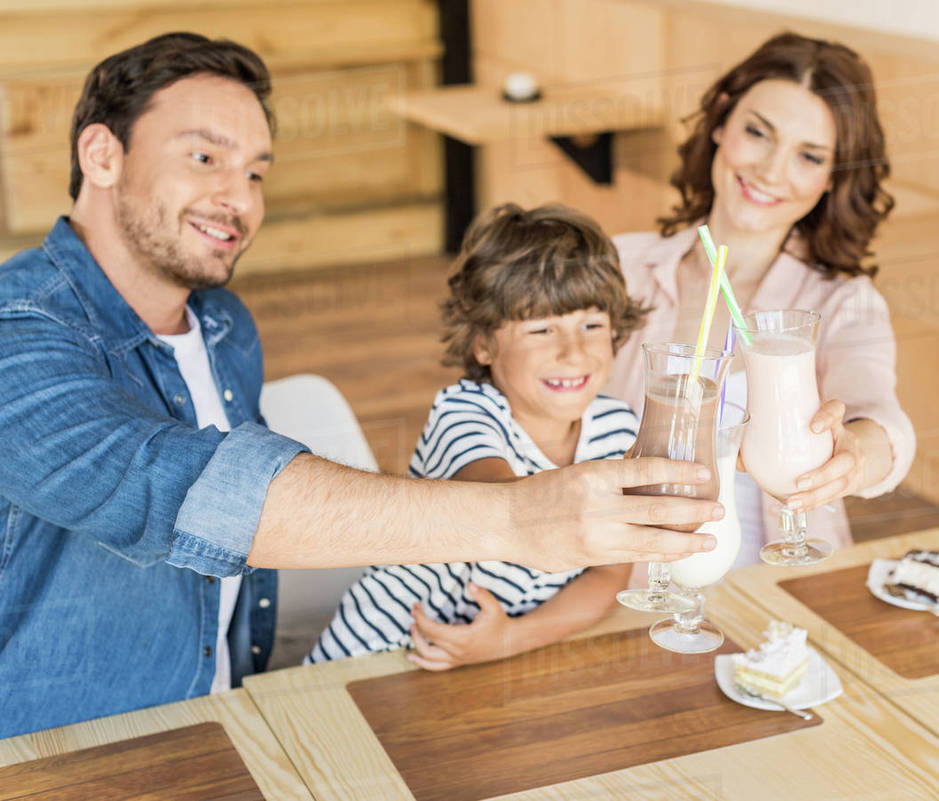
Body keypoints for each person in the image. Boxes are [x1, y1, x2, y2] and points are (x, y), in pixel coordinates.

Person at [0, 33, 719, 739]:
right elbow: (186, 492)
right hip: (62, 751)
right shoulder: (16, 328)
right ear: (102, 155)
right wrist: (520, 517)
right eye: (204, 157)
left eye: (255, 171)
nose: (239, 198)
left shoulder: (221, 324)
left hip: (218, 711)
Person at [607, 32, 916, 570]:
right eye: (758, 133)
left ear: (830, 179)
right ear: (721, 122)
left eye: (809, 156)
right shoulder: (621, 267)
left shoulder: (844, 302)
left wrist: (855, 454)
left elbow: (880, 415)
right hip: (622, 584)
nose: (772, 171)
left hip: (779, 591)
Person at [309, 203, 646, 669]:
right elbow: (504, 501)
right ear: (483, 342)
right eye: (542, 329)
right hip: (385, 647)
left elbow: (609, 576)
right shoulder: (463, 412)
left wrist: (511, 639)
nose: (574, 352)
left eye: (592, 325)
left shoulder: (617, 429)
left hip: (500, 658)